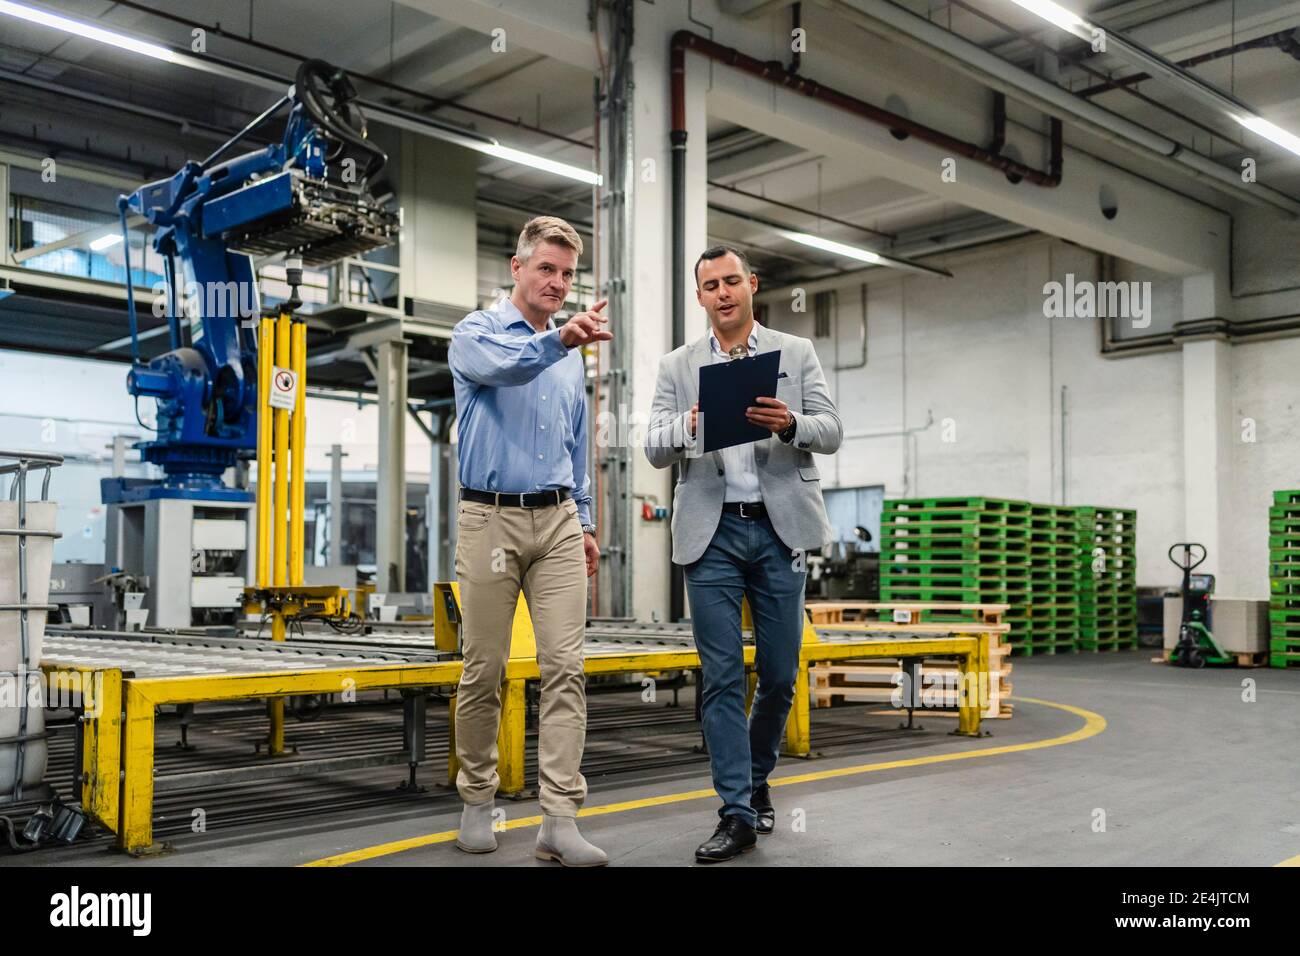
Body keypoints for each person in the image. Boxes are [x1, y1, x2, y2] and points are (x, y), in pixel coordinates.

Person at [644, 244, 842, 863]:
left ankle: (757, 781)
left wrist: (790, 424)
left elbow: (831, 430)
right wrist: (691, 424)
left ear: (752, 284)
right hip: (711, 534)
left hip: (781, 529)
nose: (723, 293)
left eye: (733, 281)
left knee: (780, 676)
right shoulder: (678, 366)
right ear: (699, 296)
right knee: (723, 676)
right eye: (711, 285)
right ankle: (736, 811)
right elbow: (652, 446)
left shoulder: (795, 353)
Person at [448, 216, 611, 866]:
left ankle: (558, 819)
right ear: (516, 268)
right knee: (483, 671)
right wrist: (560, 344)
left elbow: (578, 443)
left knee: (565, 669)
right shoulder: (476, 333)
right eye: (547, 268)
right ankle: (477, 802)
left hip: (559, 521)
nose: (558, 283)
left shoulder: (571, 356)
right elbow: (510, 369)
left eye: (568, 274)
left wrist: (589, 520)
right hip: (489, 519)